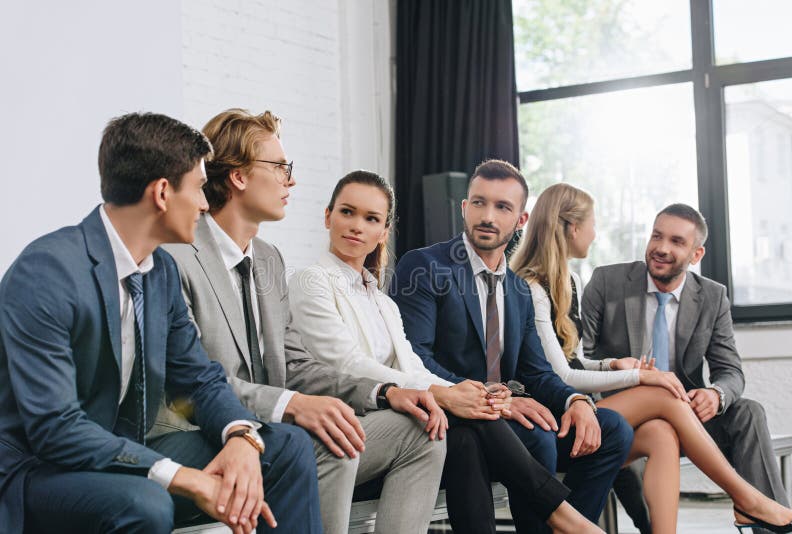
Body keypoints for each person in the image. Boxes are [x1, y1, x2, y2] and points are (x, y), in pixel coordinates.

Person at [0, 112, 322, 534]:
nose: (207, 204)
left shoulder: (160, 271)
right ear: (163, 193)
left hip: (123, 451)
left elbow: (200, 379)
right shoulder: (46, 271)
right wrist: (178, 475)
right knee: (146, 503)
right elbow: (55, 429)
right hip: (38, 468)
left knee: (285, 445)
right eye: (201, 188)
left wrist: (241, 434)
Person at [154, 108, 447, 534]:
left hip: (269, 427)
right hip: (197, 431)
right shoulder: (176, 255)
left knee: (419, 432)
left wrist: (385, 391)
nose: (290, 181)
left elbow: (295, 364)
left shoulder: (269, 260)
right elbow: (192, 383)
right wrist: (293, 405)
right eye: (279, 167)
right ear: (238, 176)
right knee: (332, 444)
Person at [288, 169, 605, 534]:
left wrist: (466, 394)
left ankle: (561, 516)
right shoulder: (311, 280)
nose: (357, 226)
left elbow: (411, 365)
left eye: (371, 218)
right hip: (346, 418)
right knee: (463, 424)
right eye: (347, 212)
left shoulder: (379, 299)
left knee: (467, 433)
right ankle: (564, 517)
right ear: (328, 216)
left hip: (392, 414)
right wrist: (448, 395)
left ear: (383, 232)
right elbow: (346, 364)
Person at [510, 184, 792, 533]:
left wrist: (714, 393)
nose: (661, 248)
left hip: (676, 411)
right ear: (573, 229)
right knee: (662, 393)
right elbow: (562, 372)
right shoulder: (596, 281)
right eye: (656, 236)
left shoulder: (711, 296)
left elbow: (730, 371)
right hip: (590, 408)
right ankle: (747, 500)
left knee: (681, 425)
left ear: (696, 254)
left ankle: (745, 517)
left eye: (676, 242)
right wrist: (638, 376)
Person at [388, 159, 636, 531]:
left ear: (521, 219)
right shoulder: (424, 267)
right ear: (464, 207)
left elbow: (536, 372)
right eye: (478, 203)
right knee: (538, 437)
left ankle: (567, 526)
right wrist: (496, 397)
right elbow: (414, 356)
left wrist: (576, 402)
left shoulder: (518, 290)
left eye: (502, 207)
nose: (487, 215)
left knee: (612, 428)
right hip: (457, 416)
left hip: (505, 415)